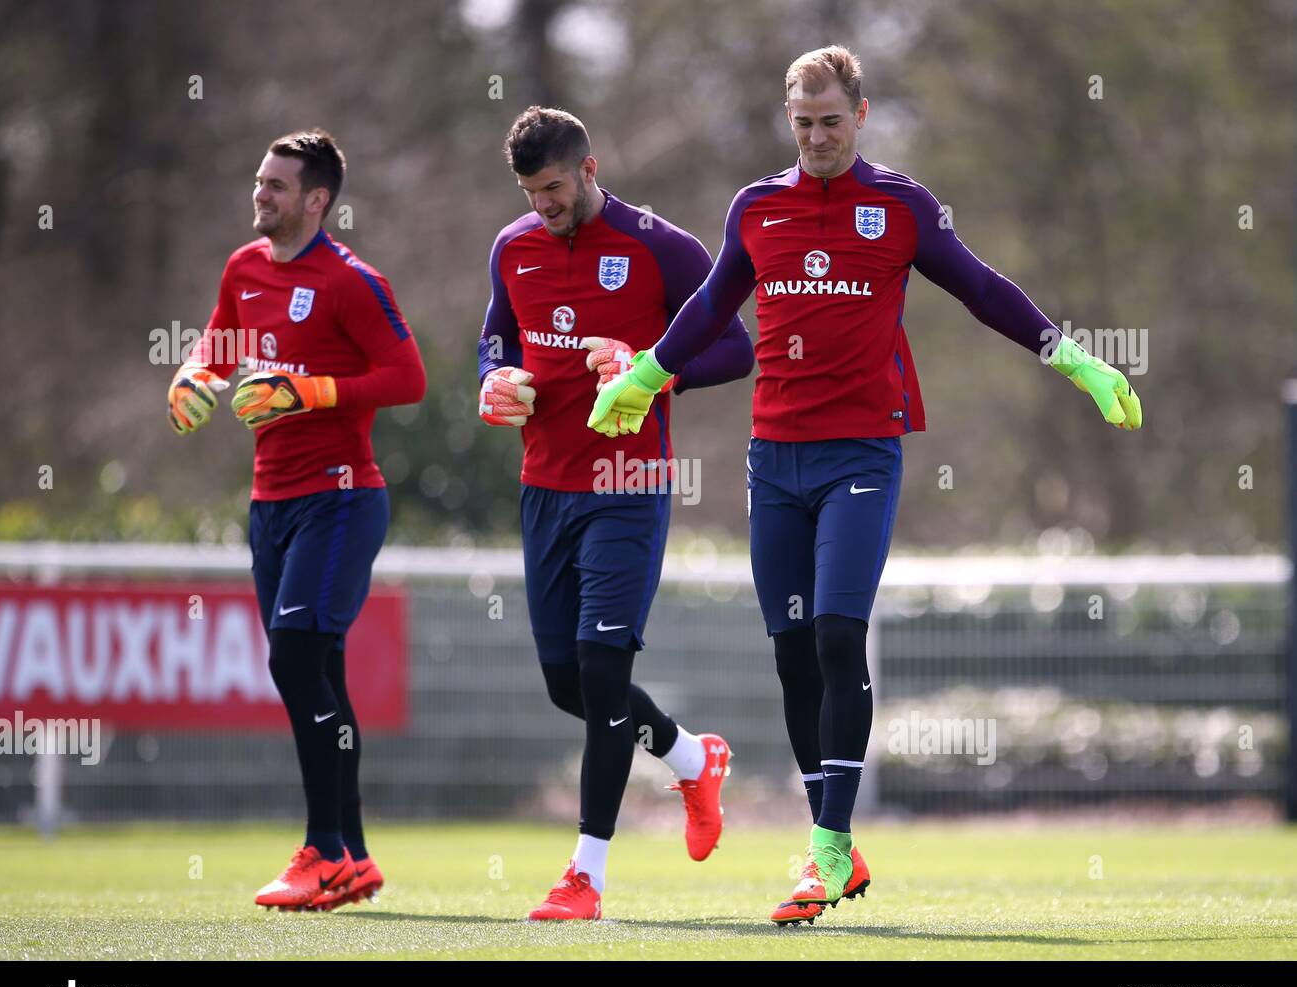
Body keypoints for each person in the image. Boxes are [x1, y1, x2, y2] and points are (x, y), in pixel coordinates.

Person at [587, 46, 1143, 926]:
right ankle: (831, 843)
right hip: (775, 457)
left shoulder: (901, 205)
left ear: (862, 114)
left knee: (842, 632)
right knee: (794, 651)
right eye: (802, 123)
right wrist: (647, 376)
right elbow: (708, 309)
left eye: (831, 122)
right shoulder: (756, 207)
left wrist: (1072, 358)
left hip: (862, 454)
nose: (815, 138)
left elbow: (982, 288)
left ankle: (829, 848)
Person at [478, 107, 755, 920]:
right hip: (544, 486)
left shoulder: (662, 248)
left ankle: (586, 877)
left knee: (602, 671)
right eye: (530, 193)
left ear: (589, 168)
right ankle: (690, 756)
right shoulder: (512, 247)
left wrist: (650, 370)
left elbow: (737, 348)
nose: (543, 207)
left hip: (628, 484)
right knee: (570, 684)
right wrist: (494, 383)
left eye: (555, 188)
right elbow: (496, 340)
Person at [166, 128, 427, 911]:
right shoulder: (244, 268)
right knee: (316, 670)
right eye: (259, 181)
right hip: (270, 503)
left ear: (317, 201)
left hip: (342, 498)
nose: (261, 195)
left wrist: (309, 391)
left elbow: (408, 377)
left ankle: (322, 852)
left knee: (292, 658)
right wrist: (193, 374)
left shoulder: (352, 281)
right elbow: (222, 339)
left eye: (276, 186)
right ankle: (357, 857)